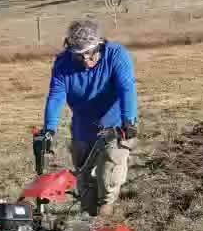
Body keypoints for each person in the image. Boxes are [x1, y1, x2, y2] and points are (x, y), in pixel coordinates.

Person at [39, 19, 138, 217]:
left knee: (108, 174)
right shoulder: (62, 64)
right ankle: (88, 218)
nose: (85, 60)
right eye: (79, 56)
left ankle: (105, 215)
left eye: (90, 53)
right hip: (83, 127)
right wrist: (49, 129)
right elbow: (56, 96)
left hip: (116, 125)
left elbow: (126, 88)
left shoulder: (116, 55)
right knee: (84, 180)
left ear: (99, 44)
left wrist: (129, 121)